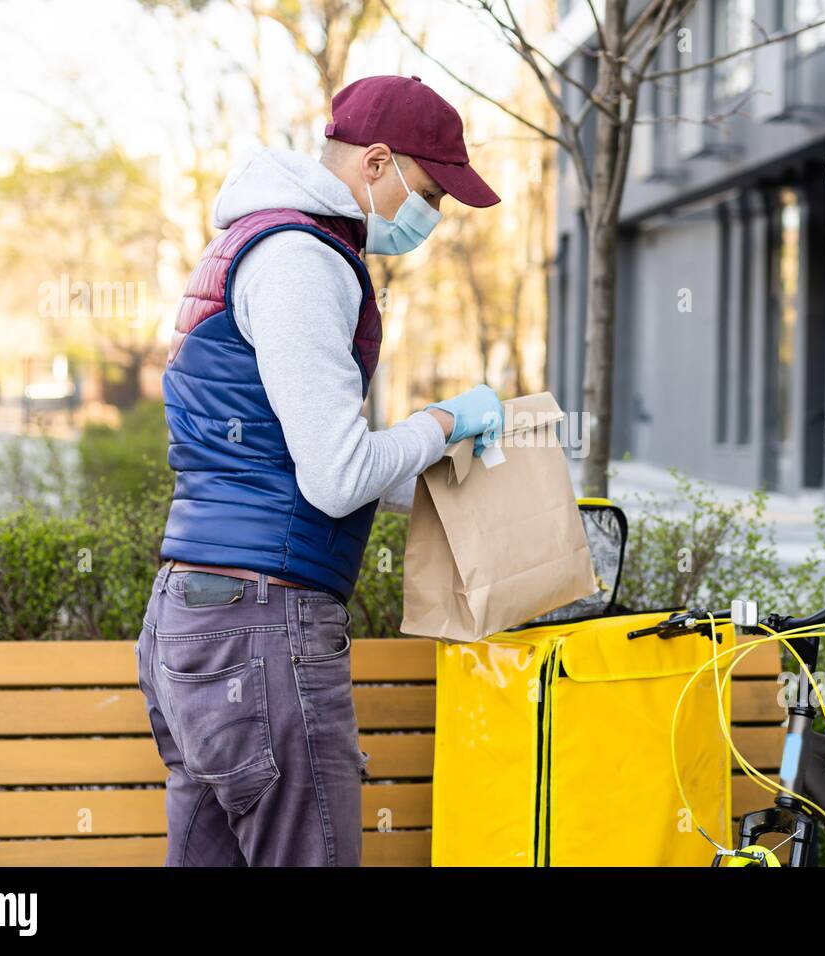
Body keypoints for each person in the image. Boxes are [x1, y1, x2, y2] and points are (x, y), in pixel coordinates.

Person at [135, 75, 503, 866]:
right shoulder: (303, 260)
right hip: (261, 628)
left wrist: (462, 474)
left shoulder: (251, 242)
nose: (432, 218)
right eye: (432, 194)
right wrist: (442, 422)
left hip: (195, 619)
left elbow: (290, 456)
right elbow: (335, 477)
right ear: (377, 163)